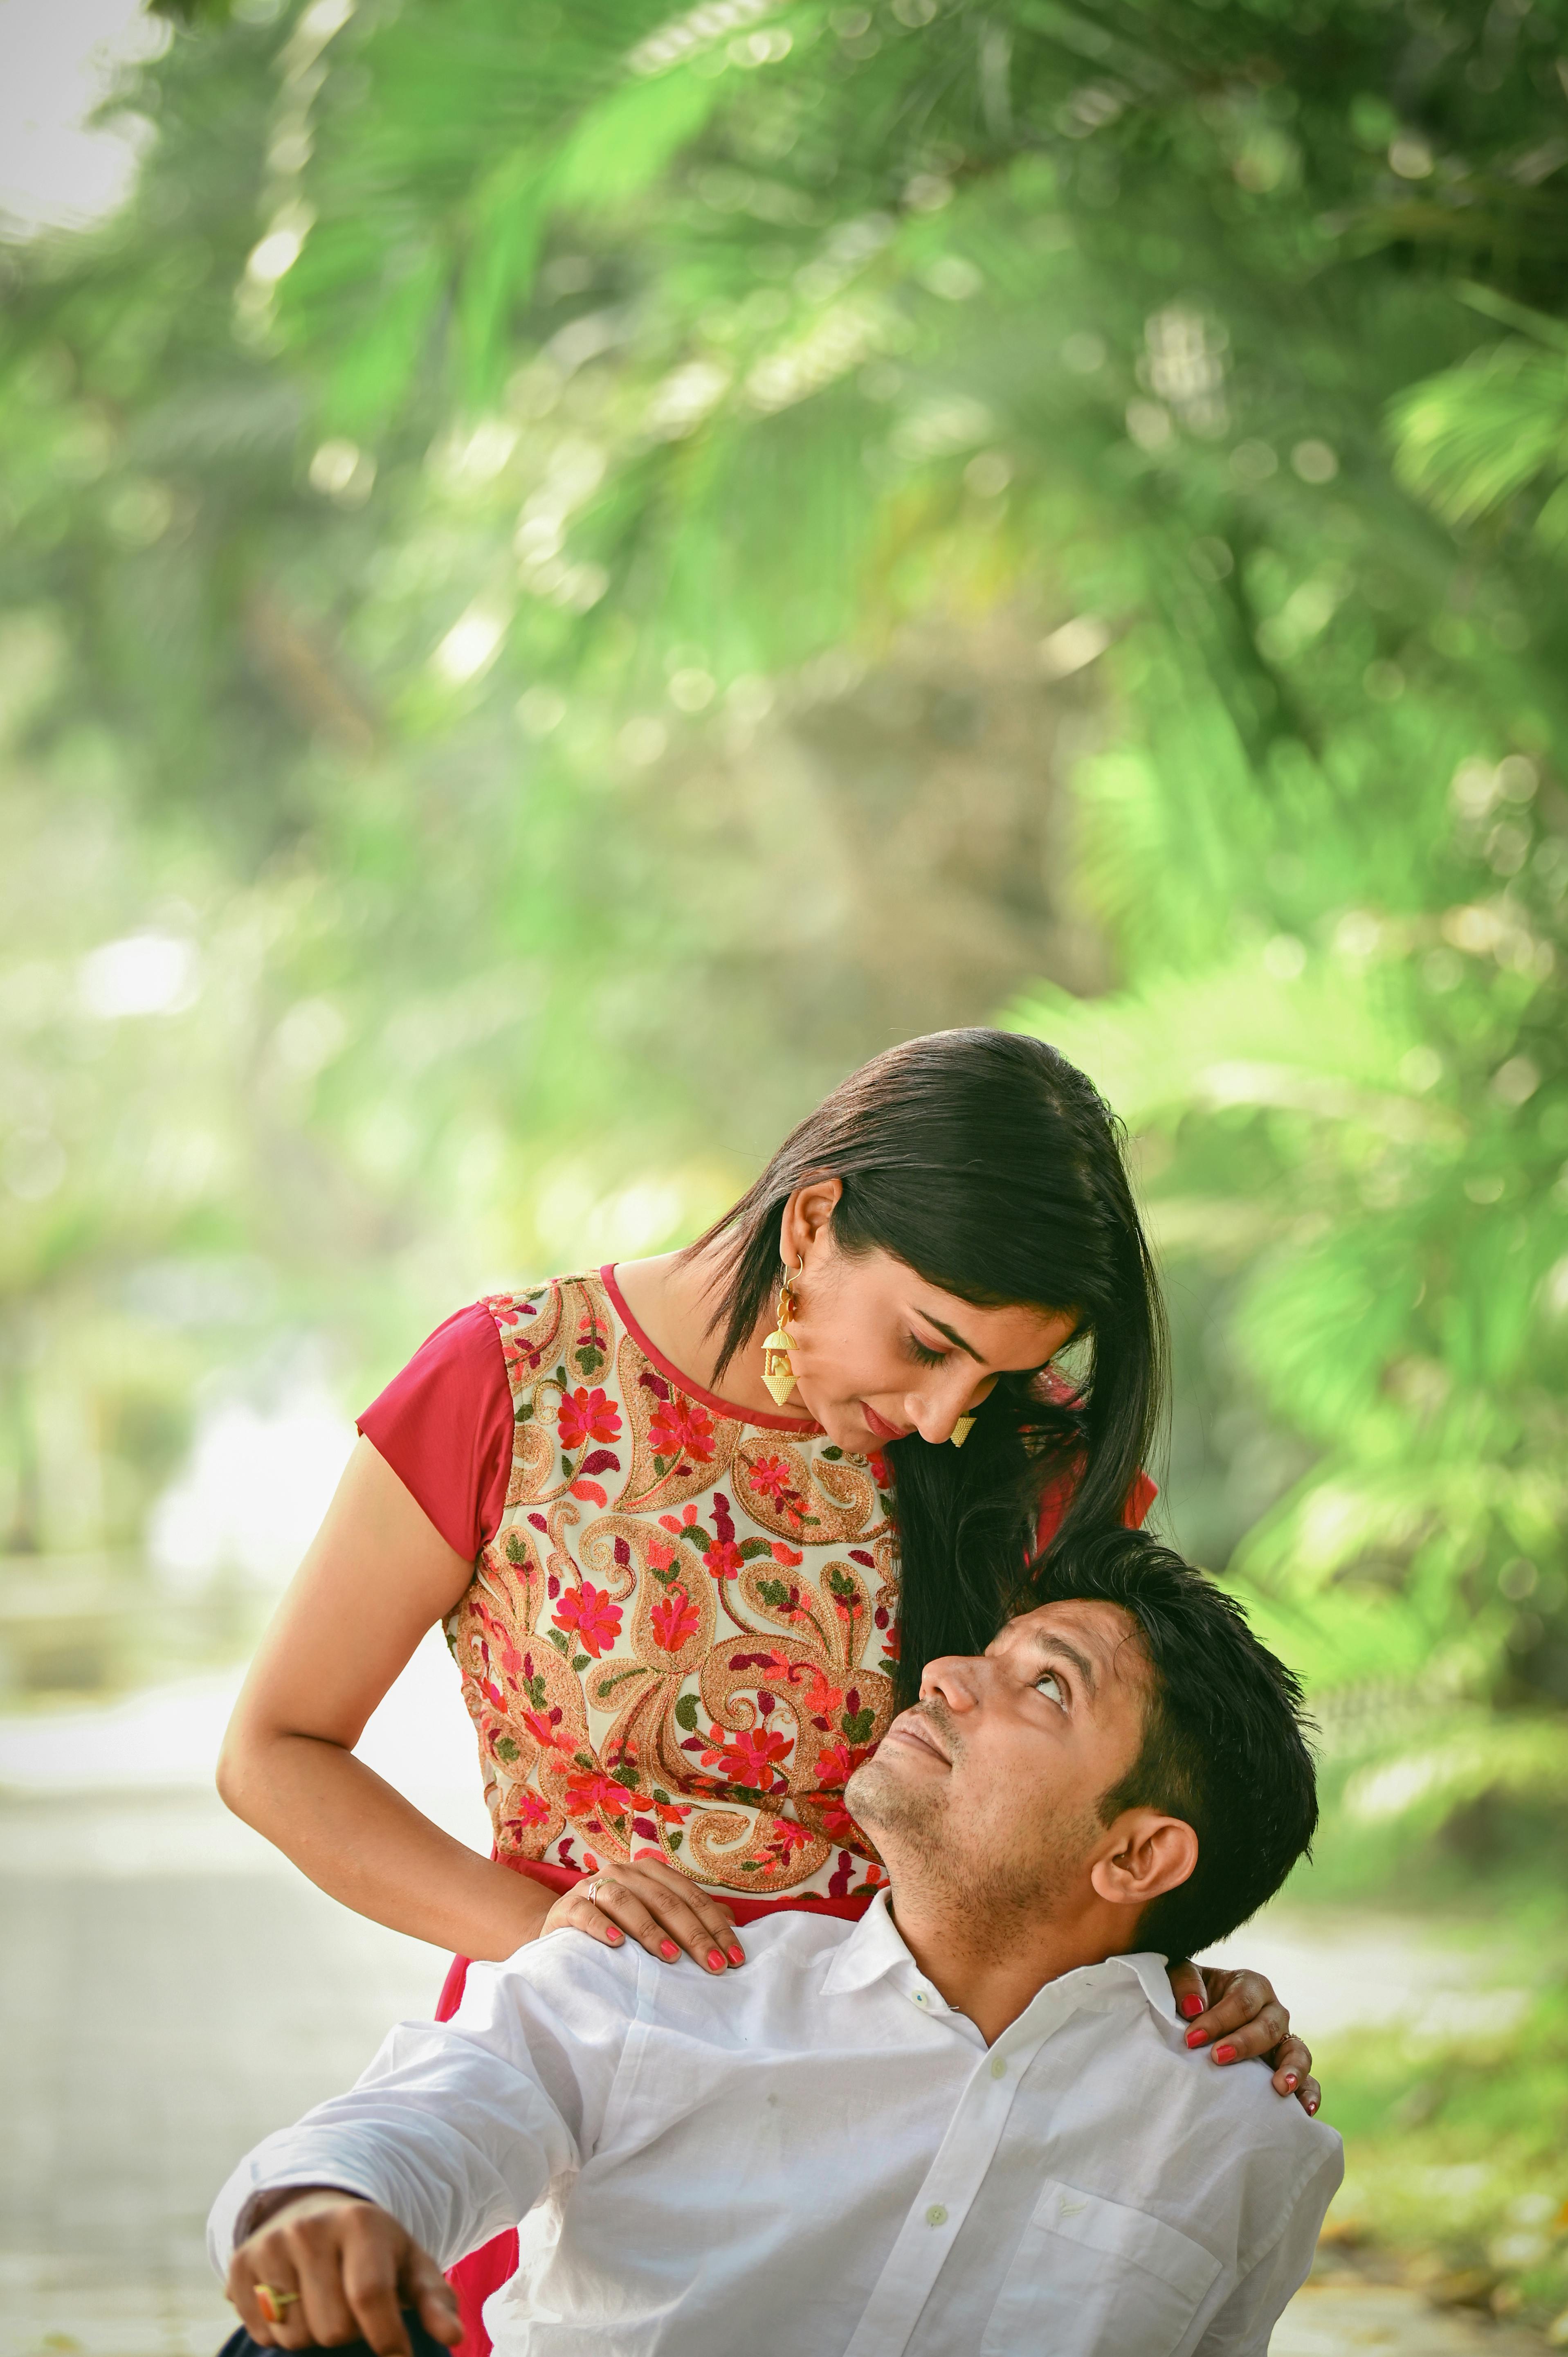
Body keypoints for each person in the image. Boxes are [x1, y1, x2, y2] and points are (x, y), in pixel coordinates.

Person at [216, 1031, 1316, 2350]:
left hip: (903, 2122)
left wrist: (1164, 1974)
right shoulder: (514, 1378)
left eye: (996, 1377)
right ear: (811, 1223)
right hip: (584, 2071)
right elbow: (275, 1746)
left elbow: (1102, 1781)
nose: (941, 1413)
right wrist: (559, 1943)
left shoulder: (1019, 1461)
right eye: (925, 1344)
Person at [210, 1530, 1341, 2357]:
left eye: (1043, 1684)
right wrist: (323, 2202)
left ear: (1137, 1858)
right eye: (984, 1651)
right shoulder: (660, 1983)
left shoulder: (1237, 2139)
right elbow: (429, 2115)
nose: (946, 1674)